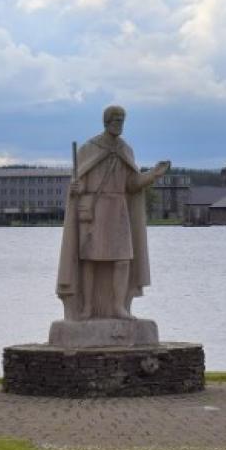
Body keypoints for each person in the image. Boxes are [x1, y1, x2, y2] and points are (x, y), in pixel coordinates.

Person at [56, 105, 170, 320]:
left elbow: (132, 184)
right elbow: (80, 181)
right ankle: (87, 307)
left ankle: (119, 306)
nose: (120, 125)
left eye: (122, 121)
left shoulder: (126, 150)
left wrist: (153, 175)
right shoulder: (89, 148)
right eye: (116, 120)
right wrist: (76, 189)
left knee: (123, 259)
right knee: (90, 258)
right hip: (95, 209)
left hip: (118, 210)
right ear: (106, 122)